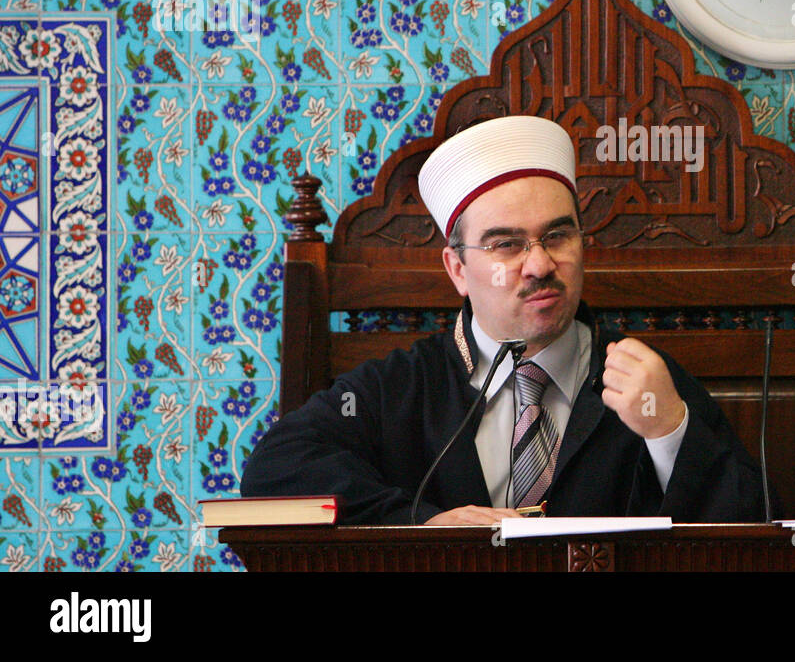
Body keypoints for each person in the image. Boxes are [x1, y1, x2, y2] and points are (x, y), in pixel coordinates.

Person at [241, 115, 767, 525]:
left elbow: (753, 526)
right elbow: (274, 471)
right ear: (459, 270)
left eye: (558, 236)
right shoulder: (399, 387)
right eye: (506, 244)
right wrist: (419, 524)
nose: (539, 264)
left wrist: (671, 432)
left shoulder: (646, 379)